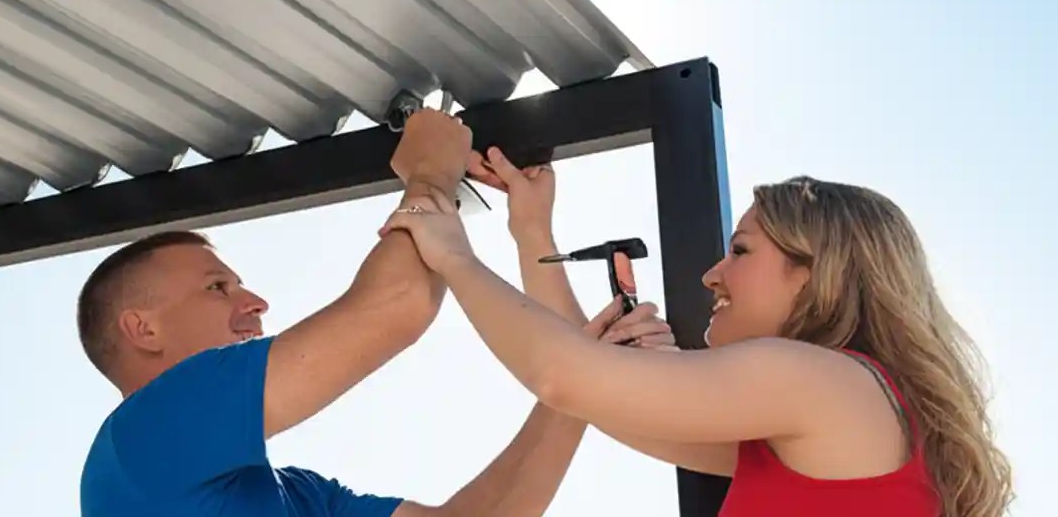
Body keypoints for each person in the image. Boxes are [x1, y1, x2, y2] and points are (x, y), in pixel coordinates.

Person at [75, 109, 676, 516]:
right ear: (142, 329)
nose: (255, 302)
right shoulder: (140, 439)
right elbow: (397, 307)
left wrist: (583, 379)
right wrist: (428, 173)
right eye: (216, 287)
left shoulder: (293, 495)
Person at [384, 152, 1015, 517]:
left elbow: (564, 376)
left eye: (740, 250)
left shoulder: (823, 382)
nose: (713, 275)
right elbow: (593, 394)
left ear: (816, 271)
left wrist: (452, 256)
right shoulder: (840, 413)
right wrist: (531, 232)